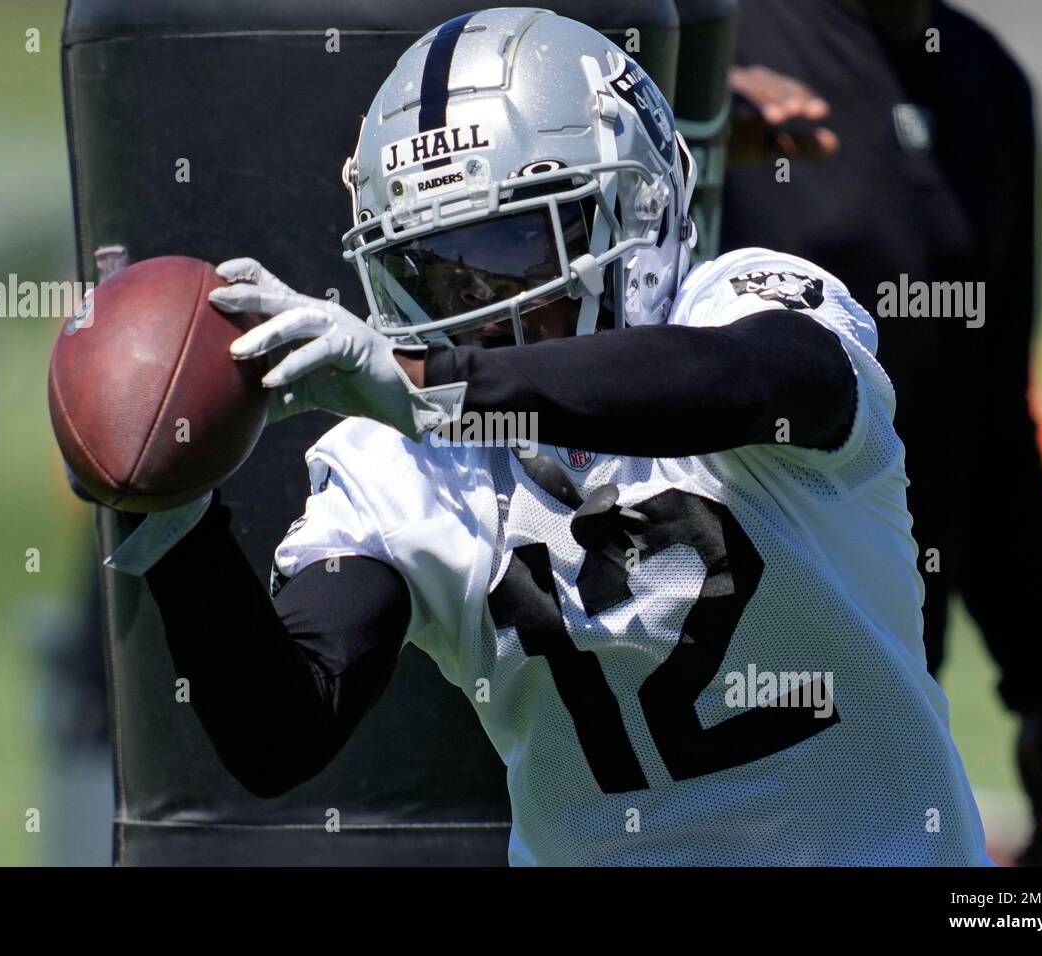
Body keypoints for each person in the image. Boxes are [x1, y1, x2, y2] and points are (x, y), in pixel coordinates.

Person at [101, 8, 989, 865]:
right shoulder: (404, 459)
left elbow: (752, 382)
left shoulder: (743, 305)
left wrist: (434, 391)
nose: (482, 310)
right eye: (440, 271)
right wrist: (173, 508)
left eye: (513, 244)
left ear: (633, 211)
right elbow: (286, 732)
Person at [717, 0, 1042, 865]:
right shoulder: (703, 46)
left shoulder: (986, 79)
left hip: (891, 708)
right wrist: (693, 128)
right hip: (705, 697)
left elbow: (996, 417)